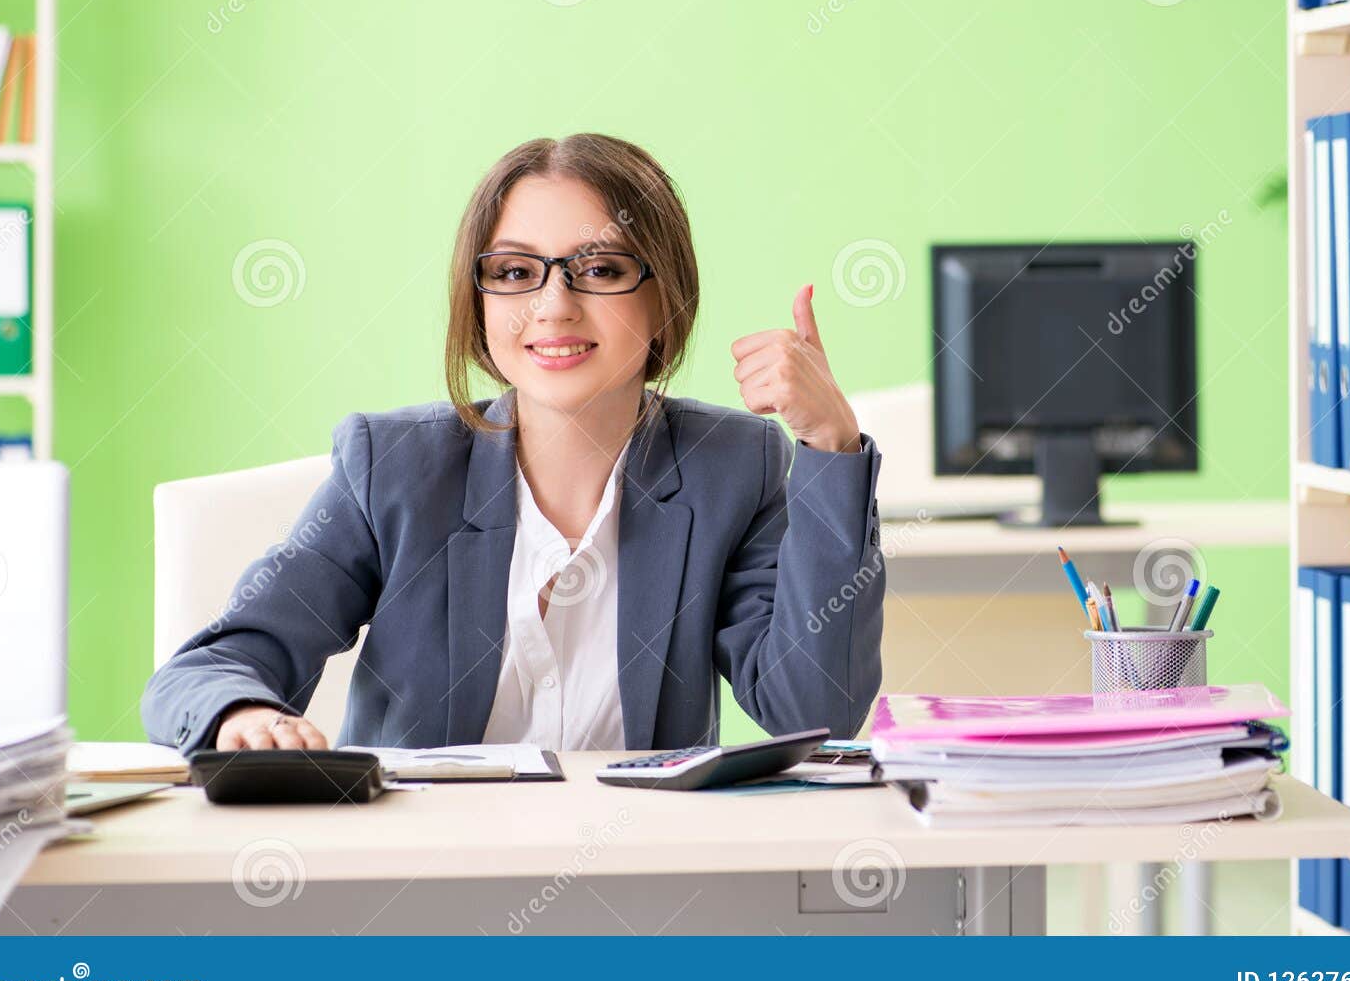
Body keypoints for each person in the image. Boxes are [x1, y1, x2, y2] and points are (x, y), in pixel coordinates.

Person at [142, 133, 885, 754]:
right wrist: (244, 715)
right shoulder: (394, 468)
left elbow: (814, 710)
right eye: (514, 271)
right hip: (422, 888)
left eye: (599, 268)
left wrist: (832, 445)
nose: (553, 305)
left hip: (639, 884)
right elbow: (210, 668)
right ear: (480, 299)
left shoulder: (734, 467)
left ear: (666, 296)